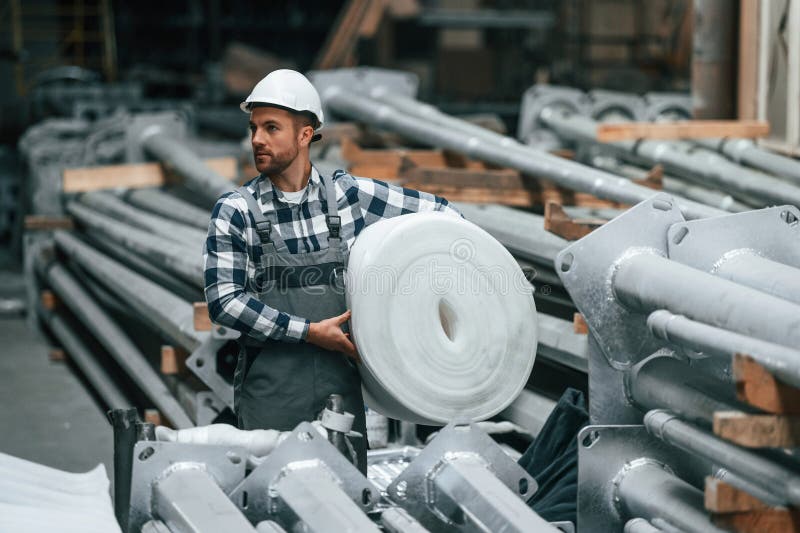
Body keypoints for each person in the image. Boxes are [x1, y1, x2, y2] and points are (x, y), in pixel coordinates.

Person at [203, 69, 460, 471]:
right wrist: (308, 332)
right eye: (254, 127)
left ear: (306, 135)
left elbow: (443, 214)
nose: (256, 139)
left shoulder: (348, 196)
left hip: (341, 399)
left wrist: (432, 298)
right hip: (271, 399)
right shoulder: (236, 211)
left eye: (272, 128)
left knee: (346, 505)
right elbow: (224, 302)